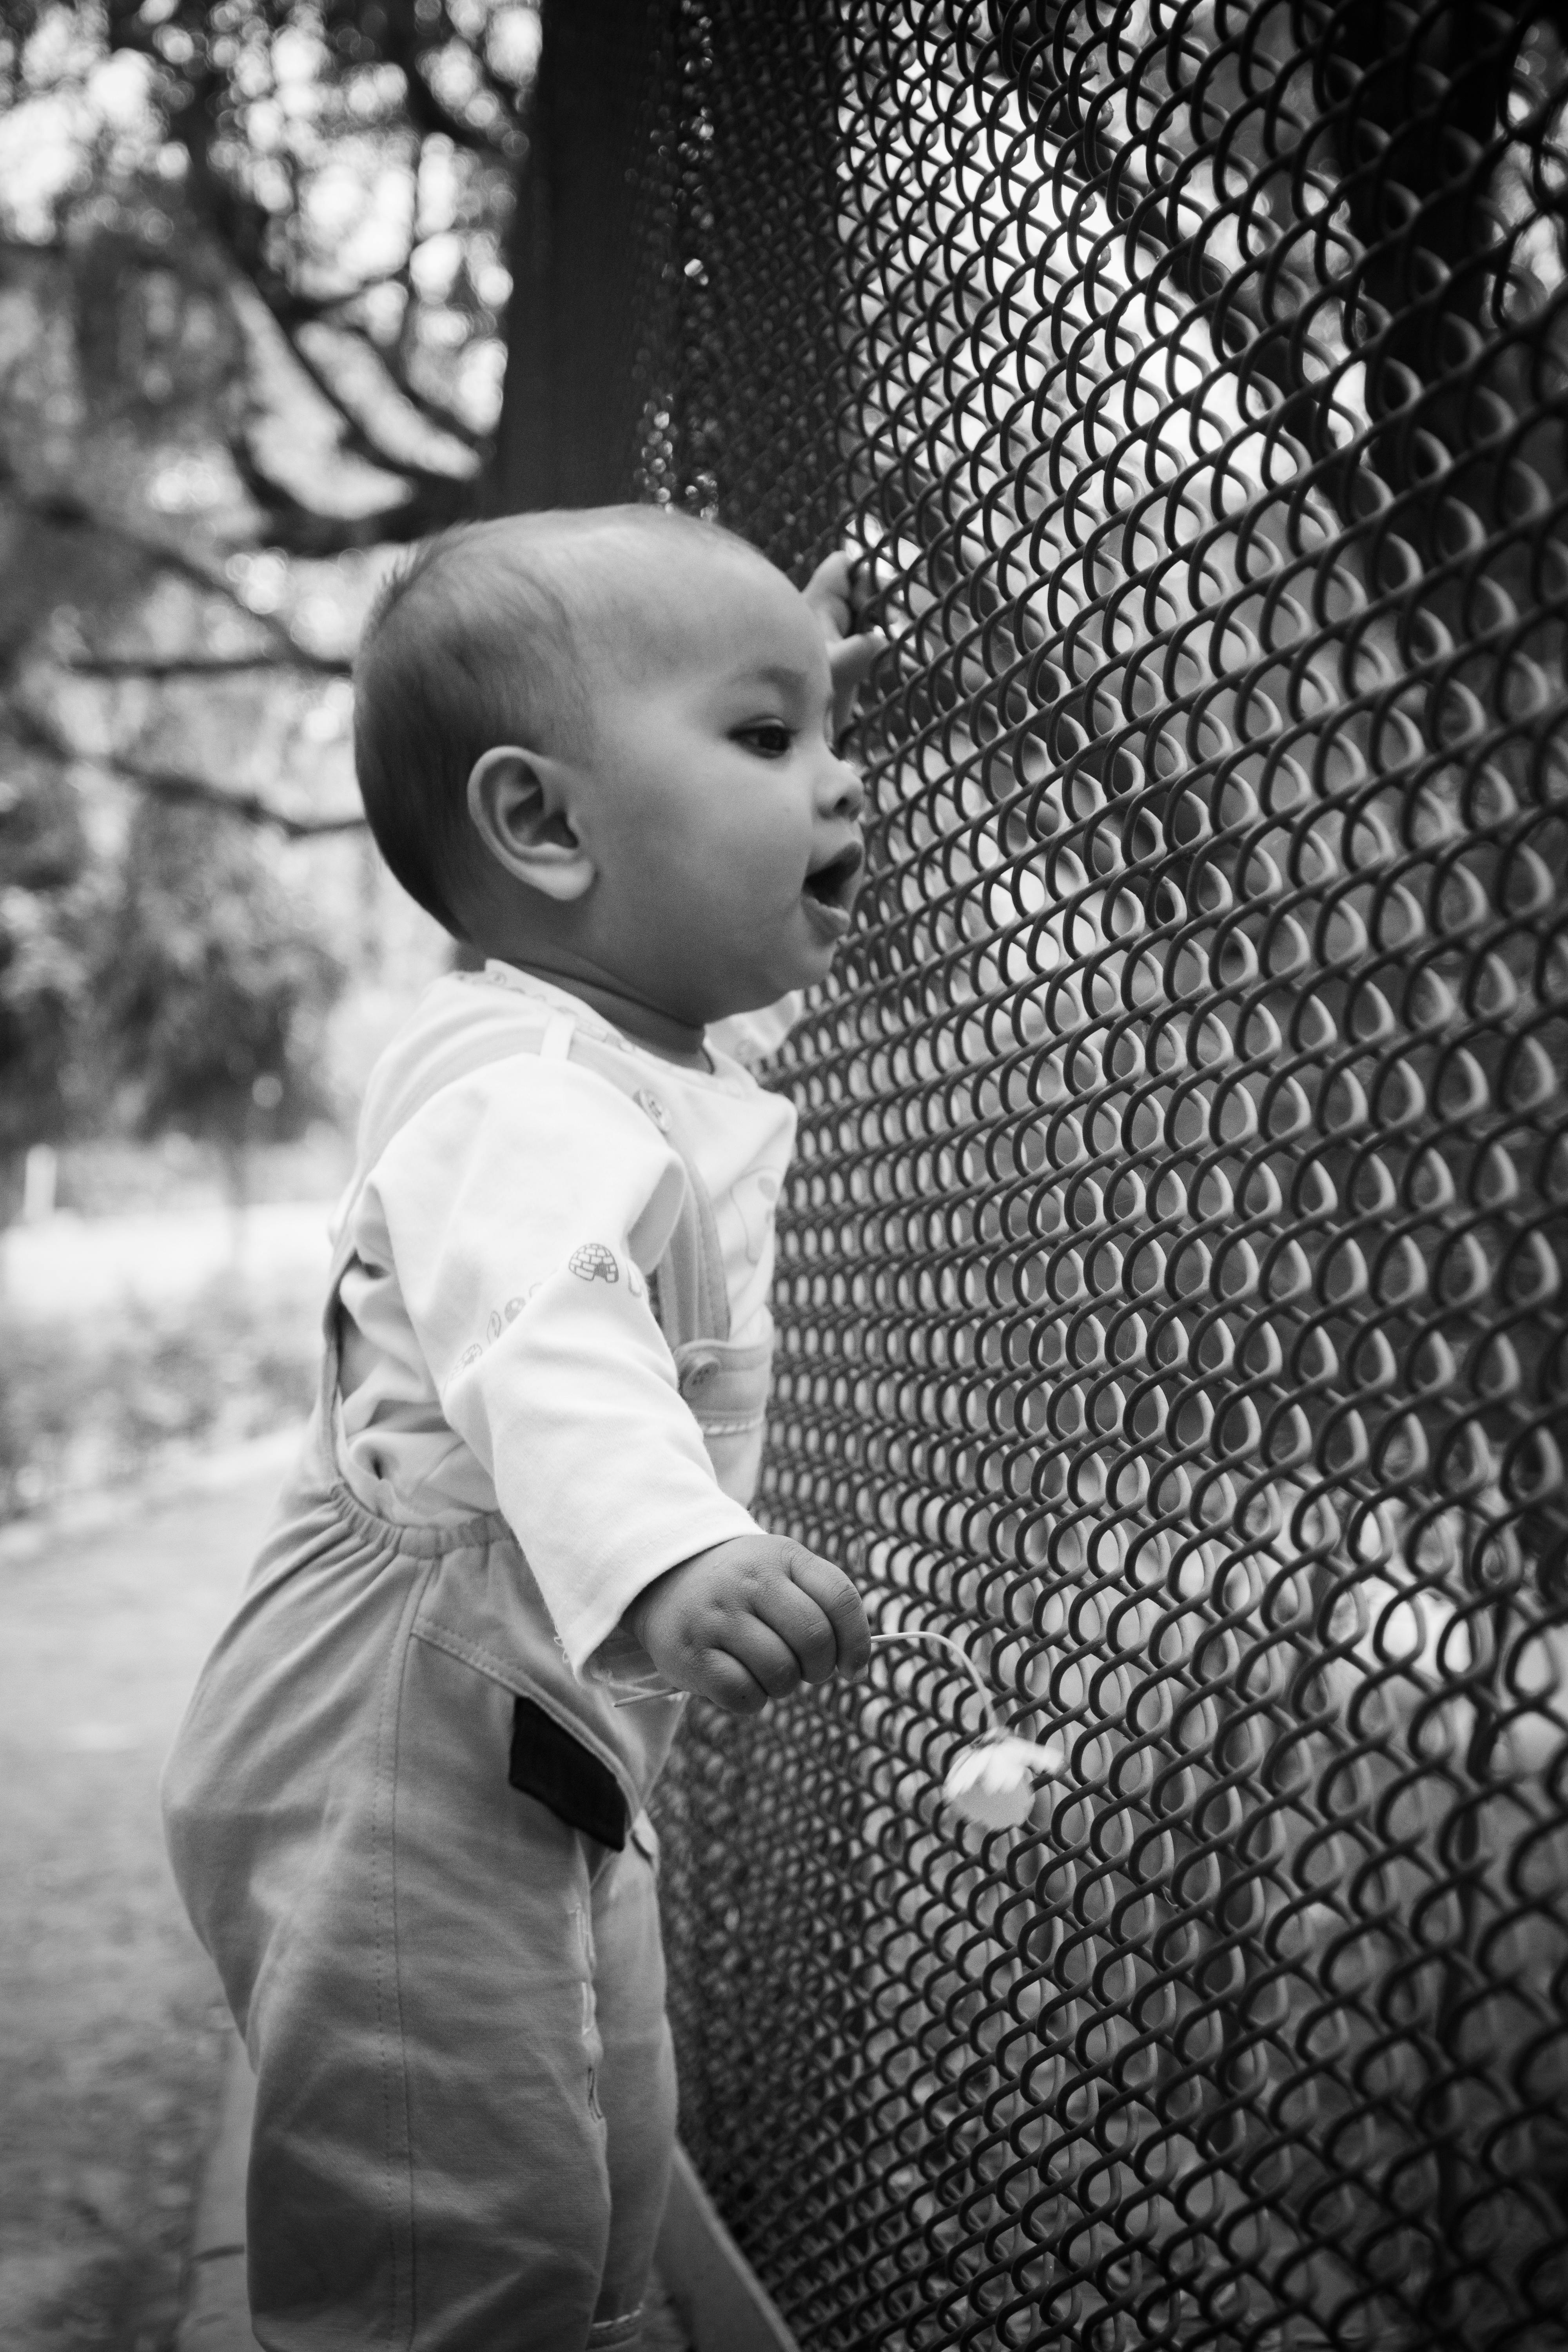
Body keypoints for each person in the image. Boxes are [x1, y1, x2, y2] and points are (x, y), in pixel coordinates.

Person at [162, 505, 883, 2351]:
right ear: (546, 826)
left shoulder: (612, 1045)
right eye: (767, 742)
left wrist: (757, 683)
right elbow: (541, 1326)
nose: (843, 783)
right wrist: (674, 1551)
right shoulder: (532, 1101)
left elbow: (689, 1023)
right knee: (447, 2227)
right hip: (402, 1758)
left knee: (582, 2154)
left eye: (823, 732)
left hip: (510, 1745)